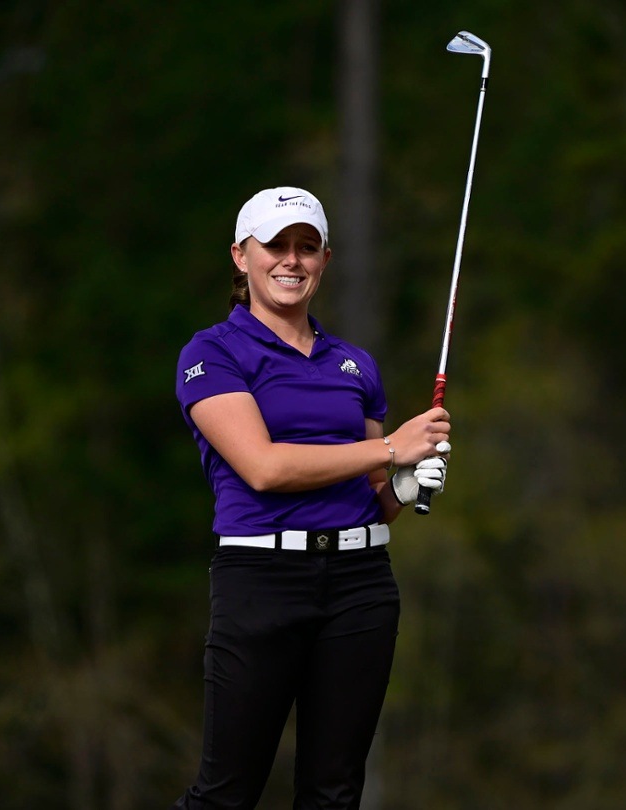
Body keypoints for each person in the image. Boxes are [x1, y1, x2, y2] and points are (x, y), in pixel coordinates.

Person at [172, 186, 452, 809]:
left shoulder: (355, 364)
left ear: (325, 259)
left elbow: (374, 495)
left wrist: (404, 483)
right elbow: (264, 468)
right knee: (226, 794)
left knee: (334, 793)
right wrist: (391, 451)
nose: (291, 260)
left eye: (306, 246)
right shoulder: (211, 352)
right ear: (241, 256)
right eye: (275, 245)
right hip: (262, 580)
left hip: (361, 583)